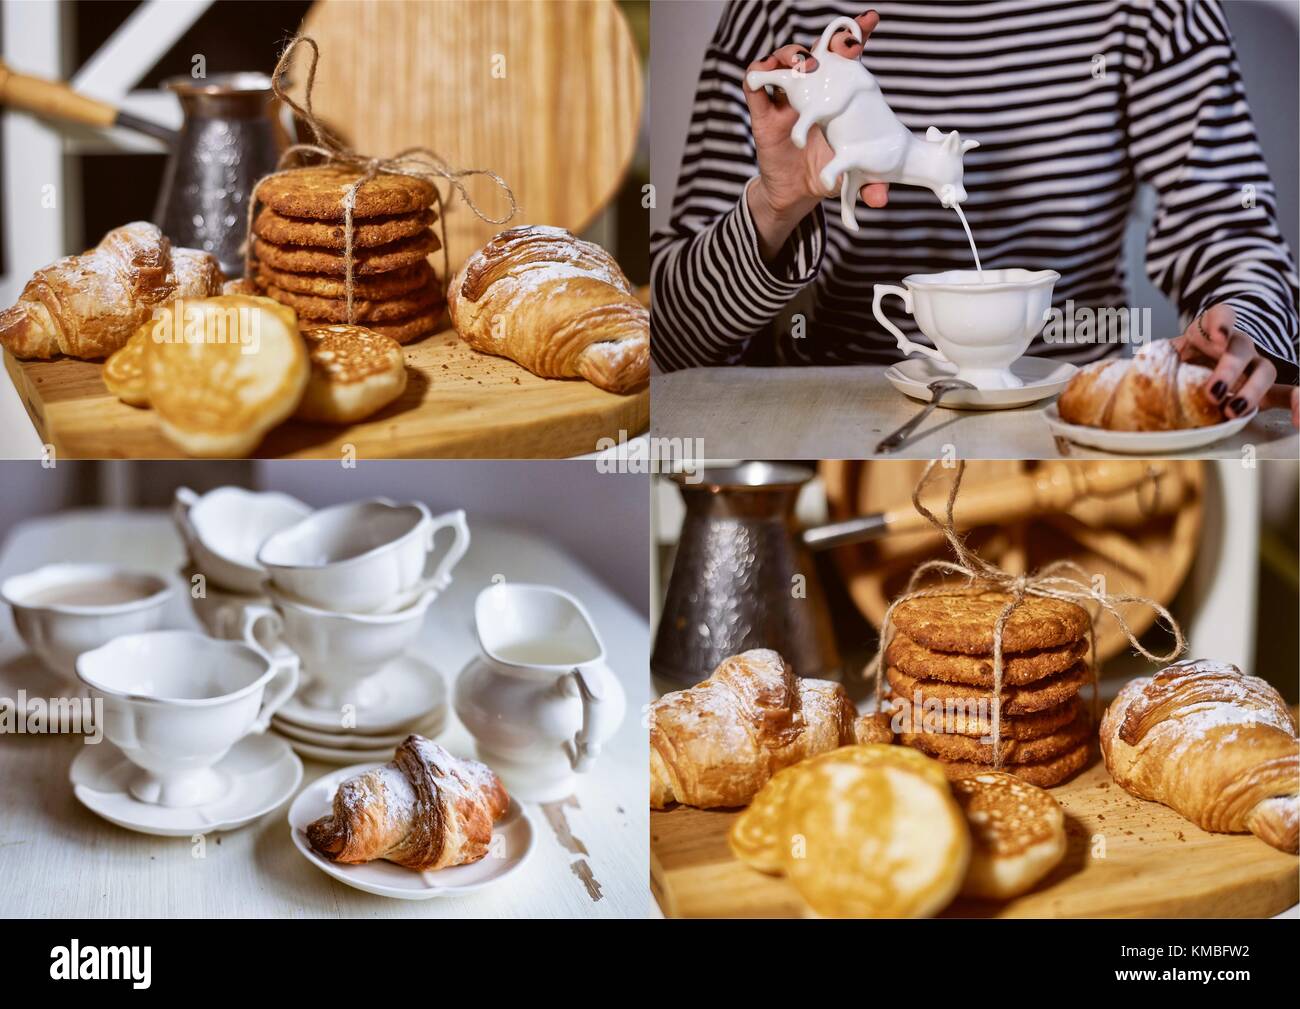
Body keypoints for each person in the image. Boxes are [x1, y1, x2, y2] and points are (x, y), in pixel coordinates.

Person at [652, 3, 1299, 424]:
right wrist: (776, 204)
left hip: (1074, 426)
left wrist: (1244, 325)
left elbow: (1230, 231)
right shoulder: (784, 24)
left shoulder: (1151, 13)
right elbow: (673, 341)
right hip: (836, 429)